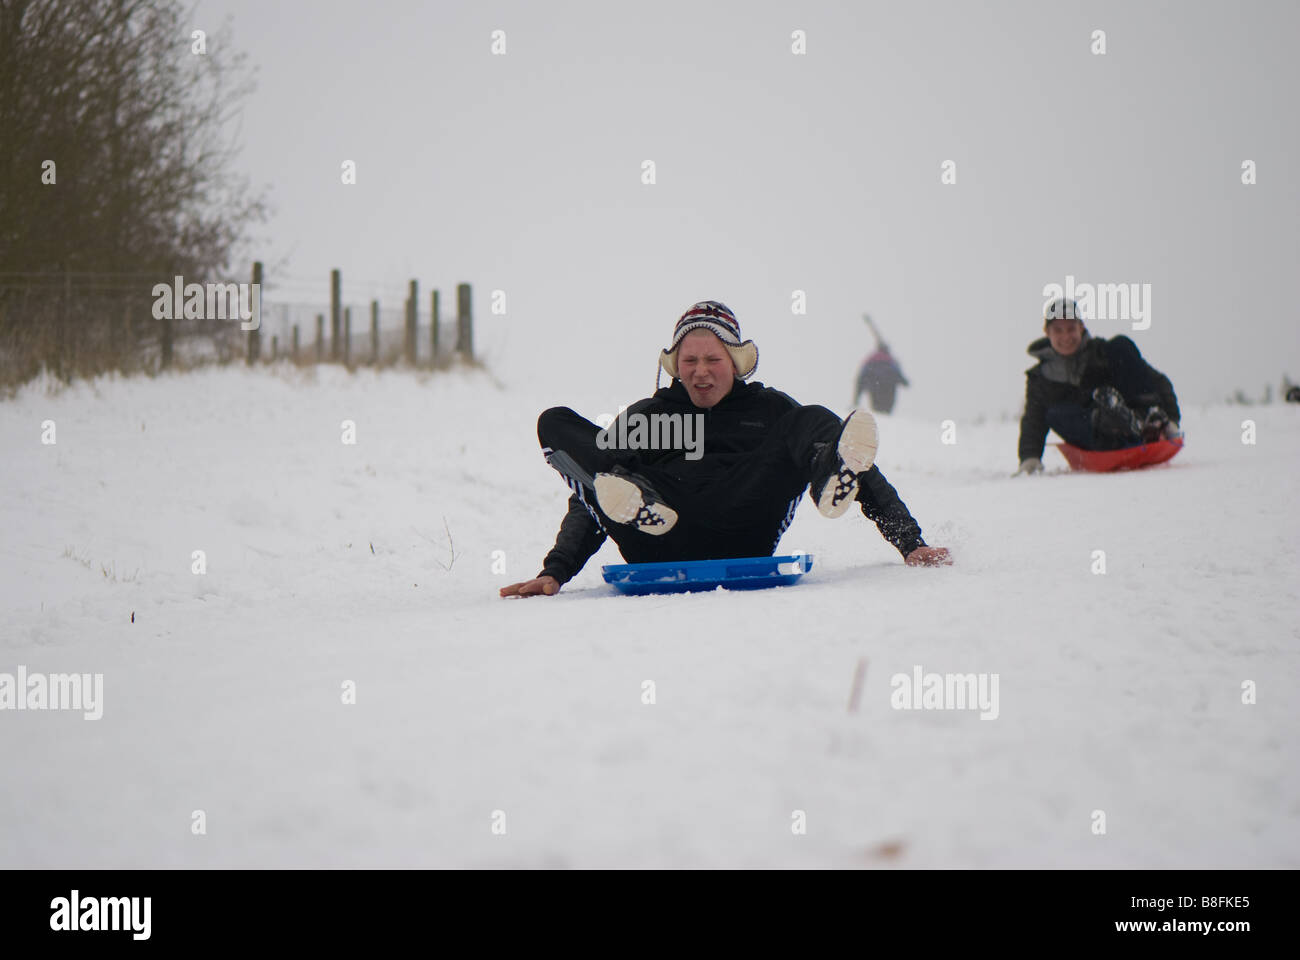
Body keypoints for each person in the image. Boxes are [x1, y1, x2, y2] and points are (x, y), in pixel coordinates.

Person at [501, 301, 951, 598]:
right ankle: (643, 502)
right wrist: (555, 570)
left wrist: (910, 543)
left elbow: (863, 465)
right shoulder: (648, 416)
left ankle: (827, 476)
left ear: (735, 363)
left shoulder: (769, 409)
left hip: (743, 523)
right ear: (675, 366)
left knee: (816, 420)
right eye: (689, 361)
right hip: (658, 537)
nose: (700, 372)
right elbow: (592, 497)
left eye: (712, 360)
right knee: (556, 423)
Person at [1016, 297, 1182, 475]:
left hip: (1131, 417)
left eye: (1071, 329)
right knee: (1054, 413)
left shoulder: (1102, 353)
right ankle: (1113, 422)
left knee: (1121, 345)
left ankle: (1146, 418)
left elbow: (1158, 381)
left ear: (1081, 327)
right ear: (1047, 332)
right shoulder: (1040, 377)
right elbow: (1034, 419)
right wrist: (1029, 457)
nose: (1065, 336)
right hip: (1092, 435)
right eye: (1058, 330)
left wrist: (1171, 418)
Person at [854, 343, 909, 413]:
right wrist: (905, 382)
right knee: (887, 409)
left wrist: (857, 397)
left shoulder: (871, 359)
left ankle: (880, 417)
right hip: (889, 388)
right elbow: (898, 374)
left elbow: (863, 376)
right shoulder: (891, 360)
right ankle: (886, 417)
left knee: (877, 408)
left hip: (875, 387)